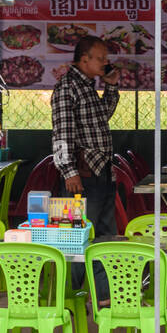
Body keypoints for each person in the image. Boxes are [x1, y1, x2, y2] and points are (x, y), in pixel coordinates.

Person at [51, 37, 119, 304]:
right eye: (100, 58)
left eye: (105, 58)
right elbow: (62, 134)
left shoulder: (88, 87)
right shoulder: (67, 87)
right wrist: (69, 171)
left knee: (103, 236)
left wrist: (111, 88)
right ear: (84, 60)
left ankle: (103, 295)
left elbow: (102, 117)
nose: (105, 62)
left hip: (101, 171)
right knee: (73, 238)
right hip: (81, 174)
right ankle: (65, 296)